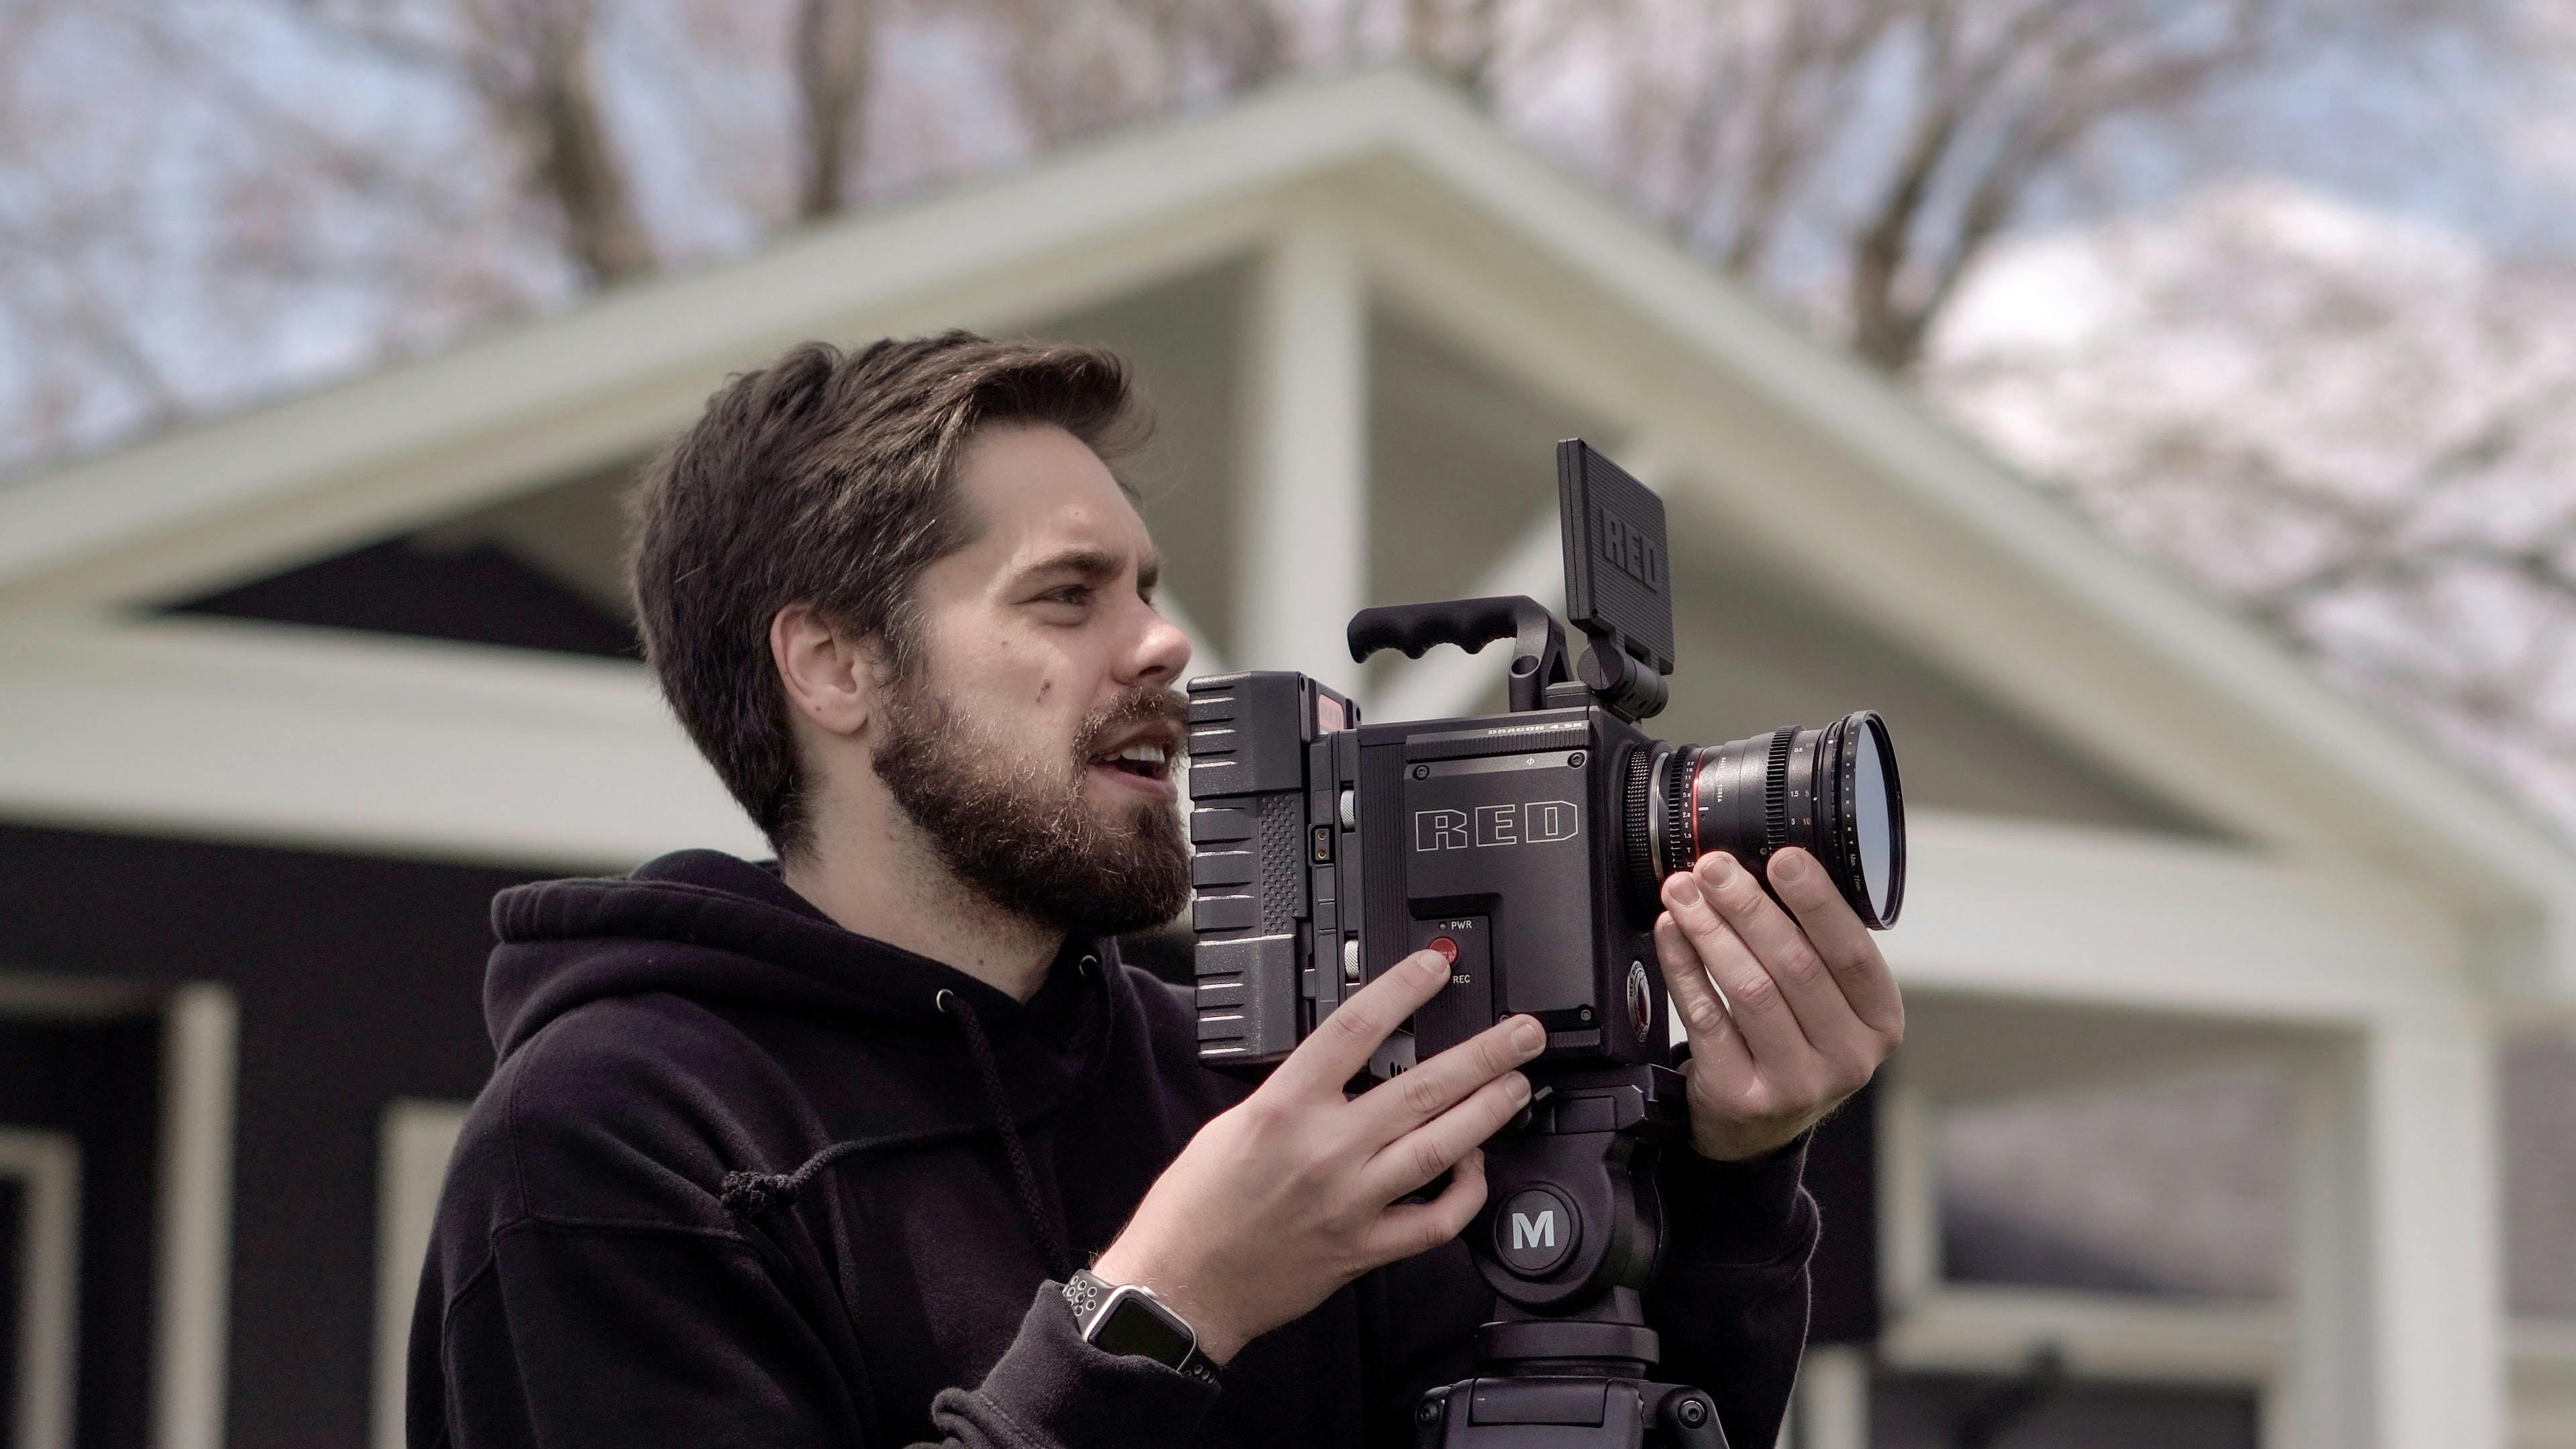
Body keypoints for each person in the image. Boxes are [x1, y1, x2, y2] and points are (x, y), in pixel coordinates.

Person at [406, 332, 1905, 1449]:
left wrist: (1725, 1183)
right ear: (835, 667)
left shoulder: (1250, 1094)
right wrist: (1166, 1308)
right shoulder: (607, 1147)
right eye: (1070, 594)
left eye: (1149, 586)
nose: (1166, 644)